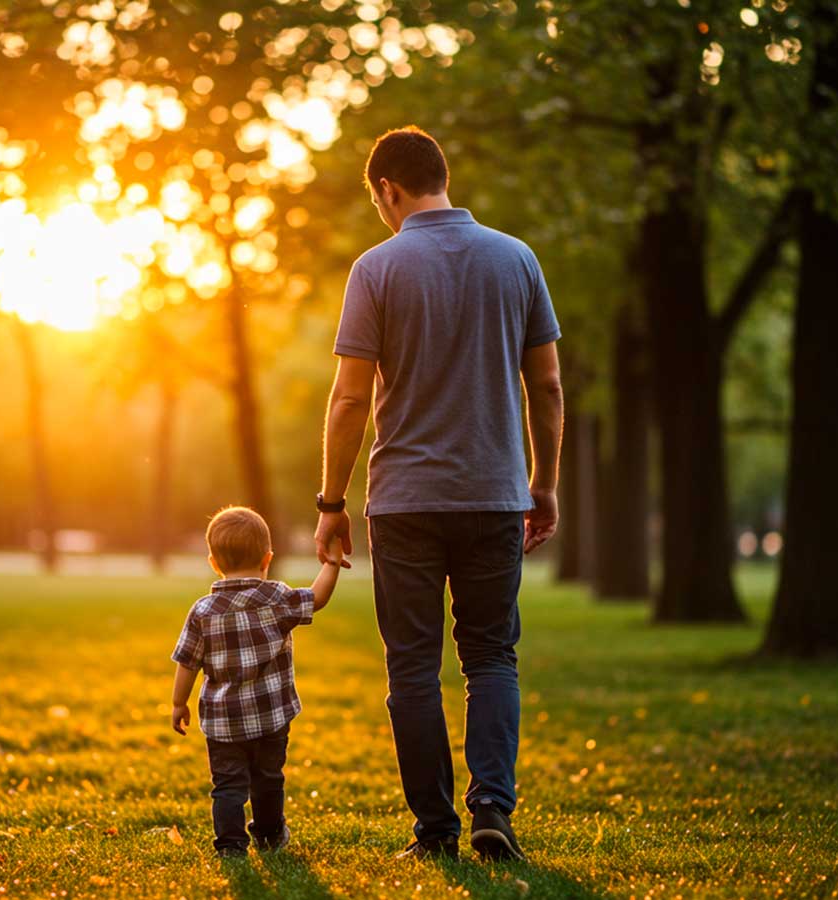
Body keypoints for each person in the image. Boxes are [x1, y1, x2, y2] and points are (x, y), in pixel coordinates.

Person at [313, 126, 564, 861]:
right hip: (495, 495)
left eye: (378, 202)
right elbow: (548, 386)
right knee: (491, 657)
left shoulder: (375, 268)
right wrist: (543, 484)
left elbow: (348, 400)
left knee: (413, 668)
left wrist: (331, 503)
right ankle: (492, 809)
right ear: (441, 177)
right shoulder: (517, 259)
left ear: (389, 189)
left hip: (405, 503)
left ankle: (435, 831)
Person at [170, 505, 343, 857]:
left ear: (214, 563)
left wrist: (178, 703)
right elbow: (318, 598)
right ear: (267, 559)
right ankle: (268, 834)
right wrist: (333, 563)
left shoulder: (203, 611)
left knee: (227, 785)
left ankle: (230, 845)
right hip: (270, 718)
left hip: (224, 723)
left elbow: (187, 663)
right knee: (268, 779)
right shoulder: (276, 598)